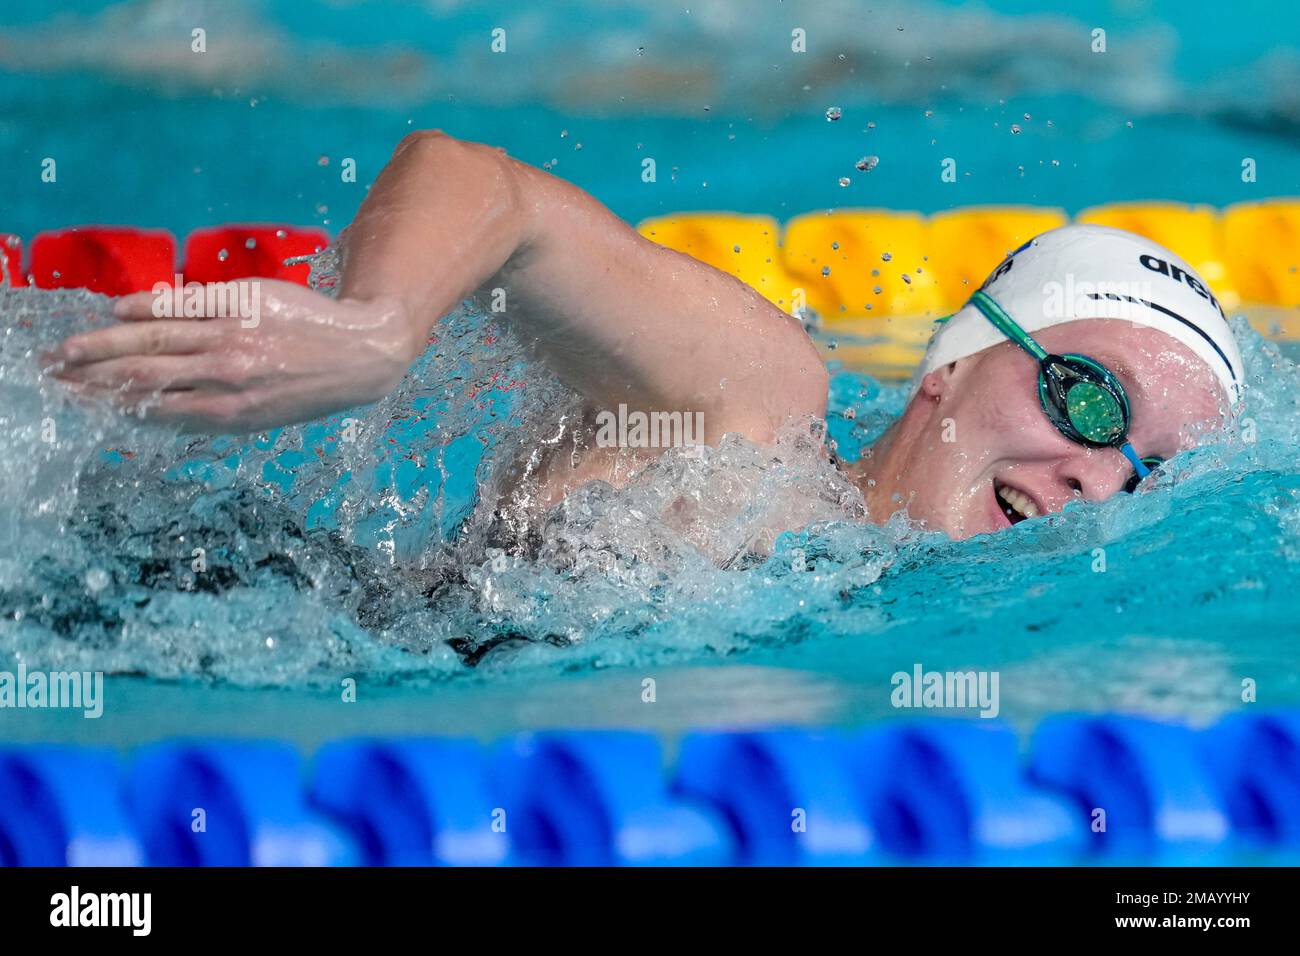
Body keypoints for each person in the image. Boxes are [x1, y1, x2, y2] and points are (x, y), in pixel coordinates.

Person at [45, 131, 1243, 540]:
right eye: (1092, 399)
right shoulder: (756, 410)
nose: (1102, 473)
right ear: (946, 369)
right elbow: (486, 189)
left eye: (1152, 474)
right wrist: (377, 327)